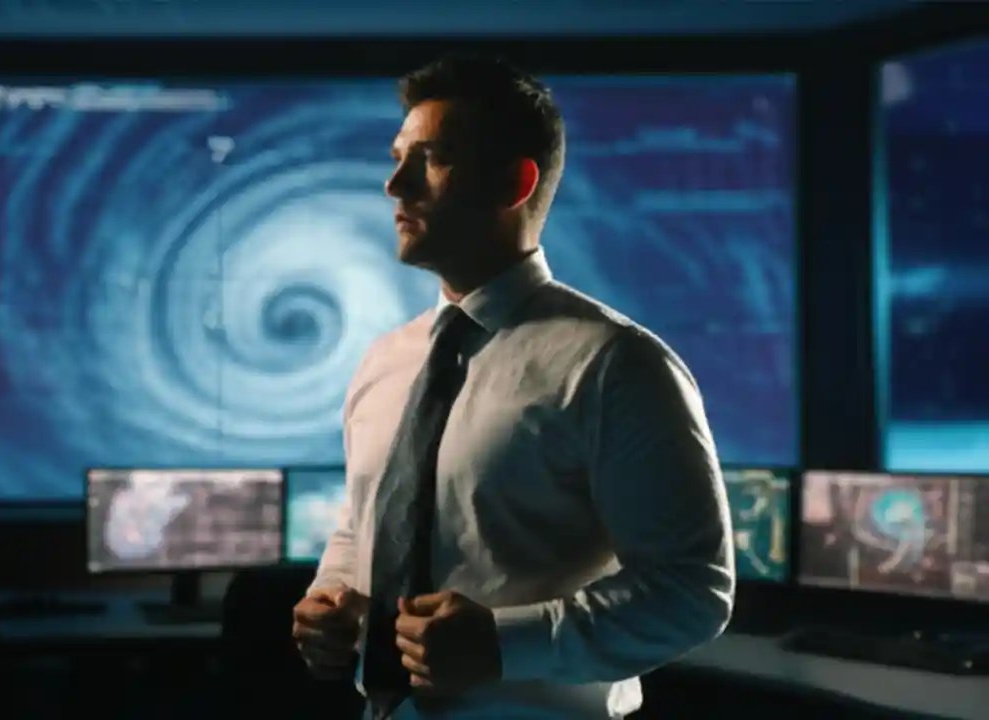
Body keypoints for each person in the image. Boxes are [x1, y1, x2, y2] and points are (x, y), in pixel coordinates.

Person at [291, 54, 735, 719]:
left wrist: (504, 645)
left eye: (430, 159)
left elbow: (693, 592)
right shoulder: (385, 362)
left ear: (513, 182)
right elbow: (364, 522)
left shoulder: (616, 365)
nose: (393, 185)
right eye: (396, 156)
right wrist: (331, 596)